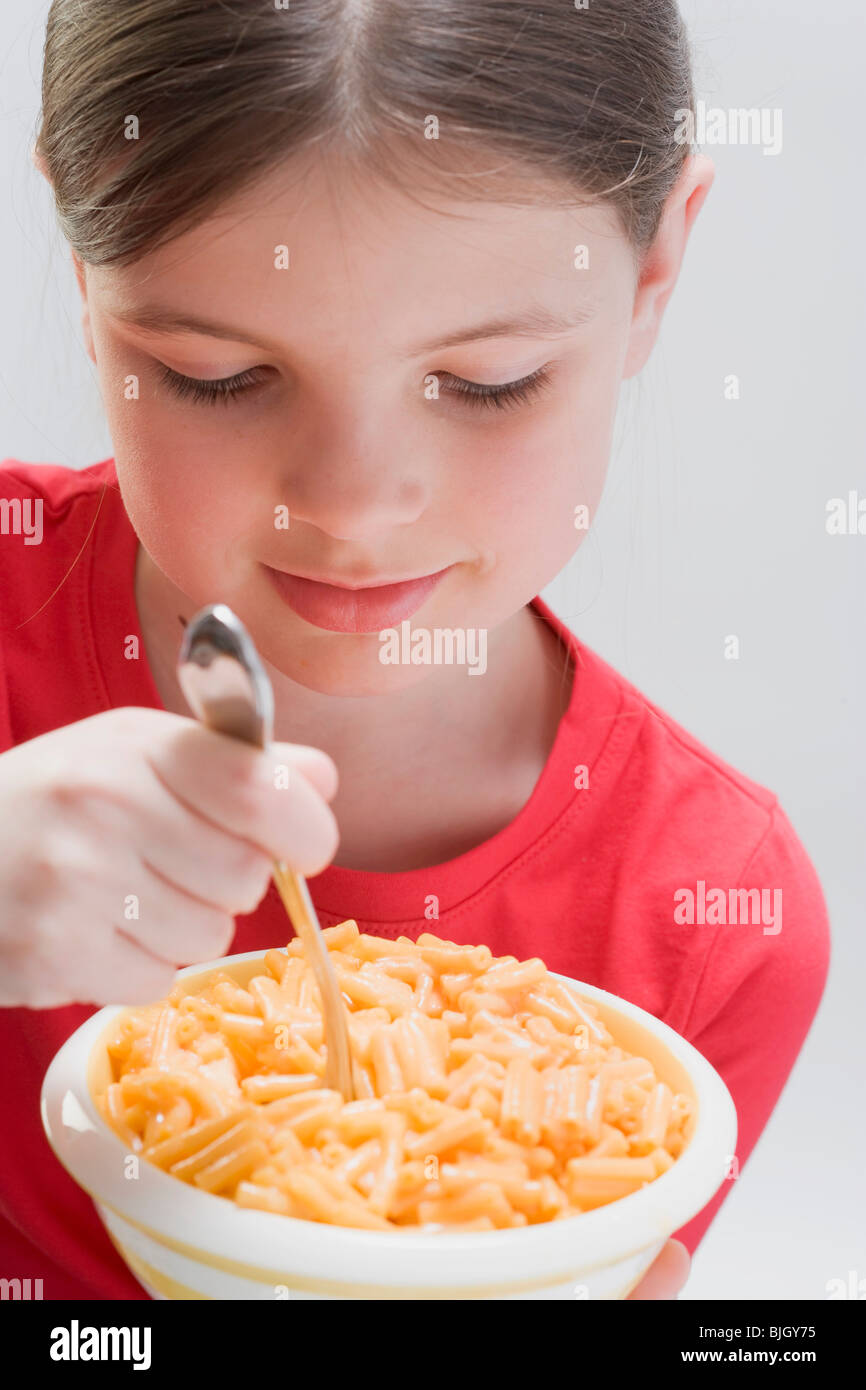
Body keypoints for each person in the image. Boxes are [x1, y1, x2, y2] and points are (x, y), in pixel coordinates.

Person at [0, 0, 829, 1300]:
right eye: (214, 372)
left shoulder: (712, 921)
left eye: (487, 380)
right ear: (79, 251)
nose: (348, 504)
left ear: (655, 268)